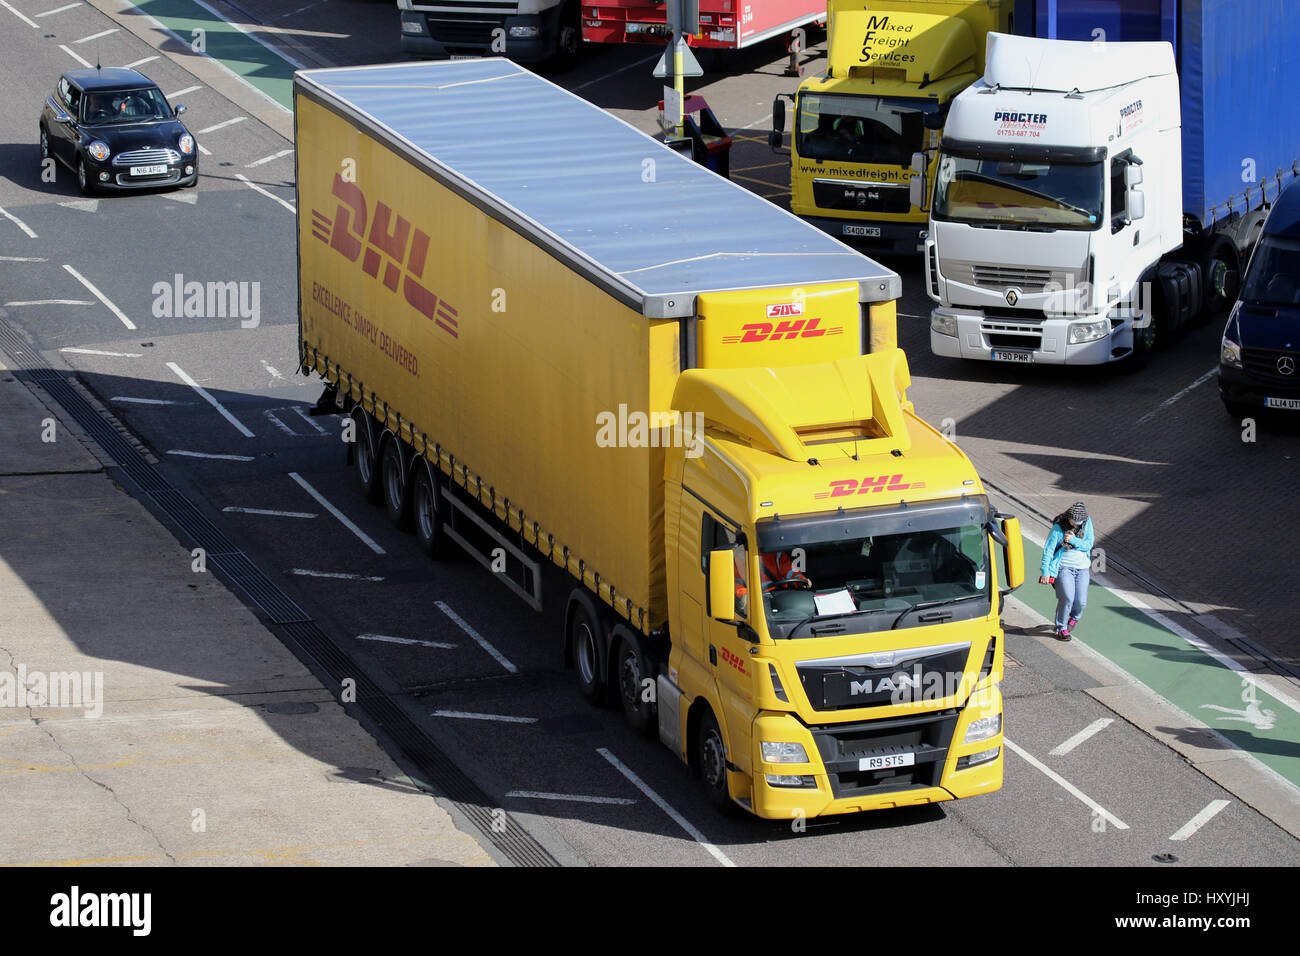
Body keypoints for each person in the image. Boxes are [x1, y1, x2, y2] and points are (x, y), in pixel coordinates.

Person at [1038, 501, 1094, 641]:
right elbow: (1049, 550)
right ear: (1068, 518)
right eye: (1075, 521)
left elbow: (1088, 544)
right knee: (1067, 598)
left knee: (1081, 602)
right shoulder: (1058, 528)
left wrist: (1074, 540)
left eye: (1080, 522)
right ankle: (1061, 628)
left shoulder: (1087, 523)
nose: (1078, 524)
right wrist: (1045, 572)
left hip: (1082, 568)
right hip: (1064, 567)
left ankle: (1074, 617)